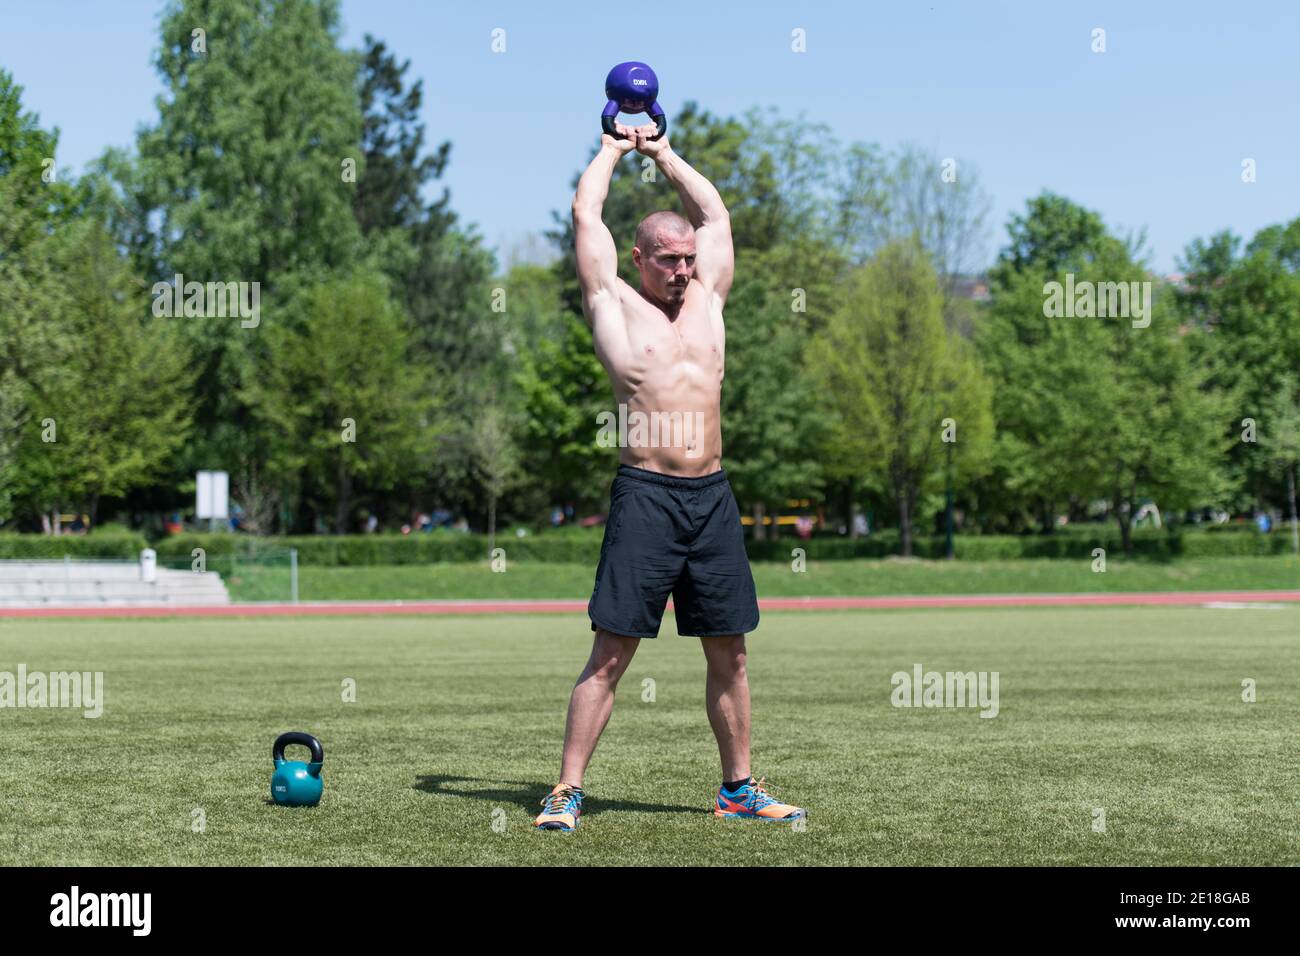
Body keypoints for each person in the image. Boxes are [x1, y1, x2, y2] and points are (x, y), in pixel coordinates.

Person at [534, 122, 806, 831]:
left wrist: (660, 152)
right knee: (611, 653)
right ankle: (565, 791)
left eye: (687, 259)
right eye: (668, 260)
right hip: (648, 495)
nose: (682, 270)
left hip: (712, 497)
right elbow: (584, 216)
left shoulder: (711, 298)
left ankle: (738, 789)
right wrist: (613, 151)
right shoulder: (613, 305)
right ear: (639, 258)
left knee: (732, 653)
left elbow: (715, 215)